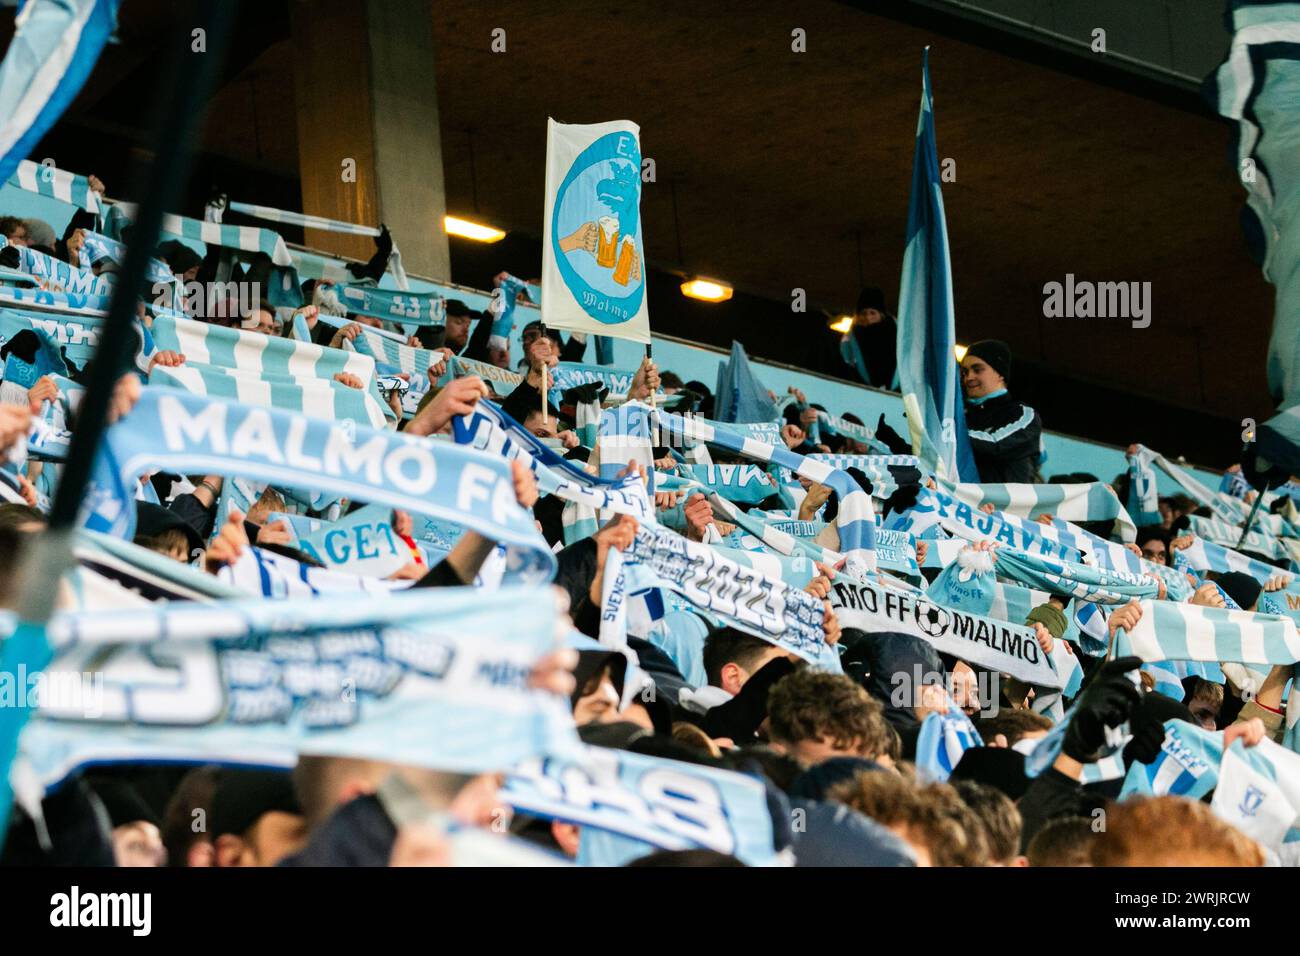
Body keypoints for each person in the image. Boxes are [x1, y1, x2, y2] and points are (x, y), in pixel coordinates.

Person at [961, 339, 1043, 483]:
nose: (969, 377)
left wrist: (949, 432)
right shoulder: (961, 416)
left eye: (977, 369)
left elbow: (996, 444)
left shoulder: (1022, 414)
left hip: (1007, 505)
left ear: (1000, 374)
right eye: (965, 372)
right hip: (963, 504)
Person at [839, 286, 897, 388]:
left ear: (881, 315)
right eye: (863, 313)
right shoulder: (849, 340)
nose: (868, 317)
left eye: (872, 313)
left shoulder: (896, 334)